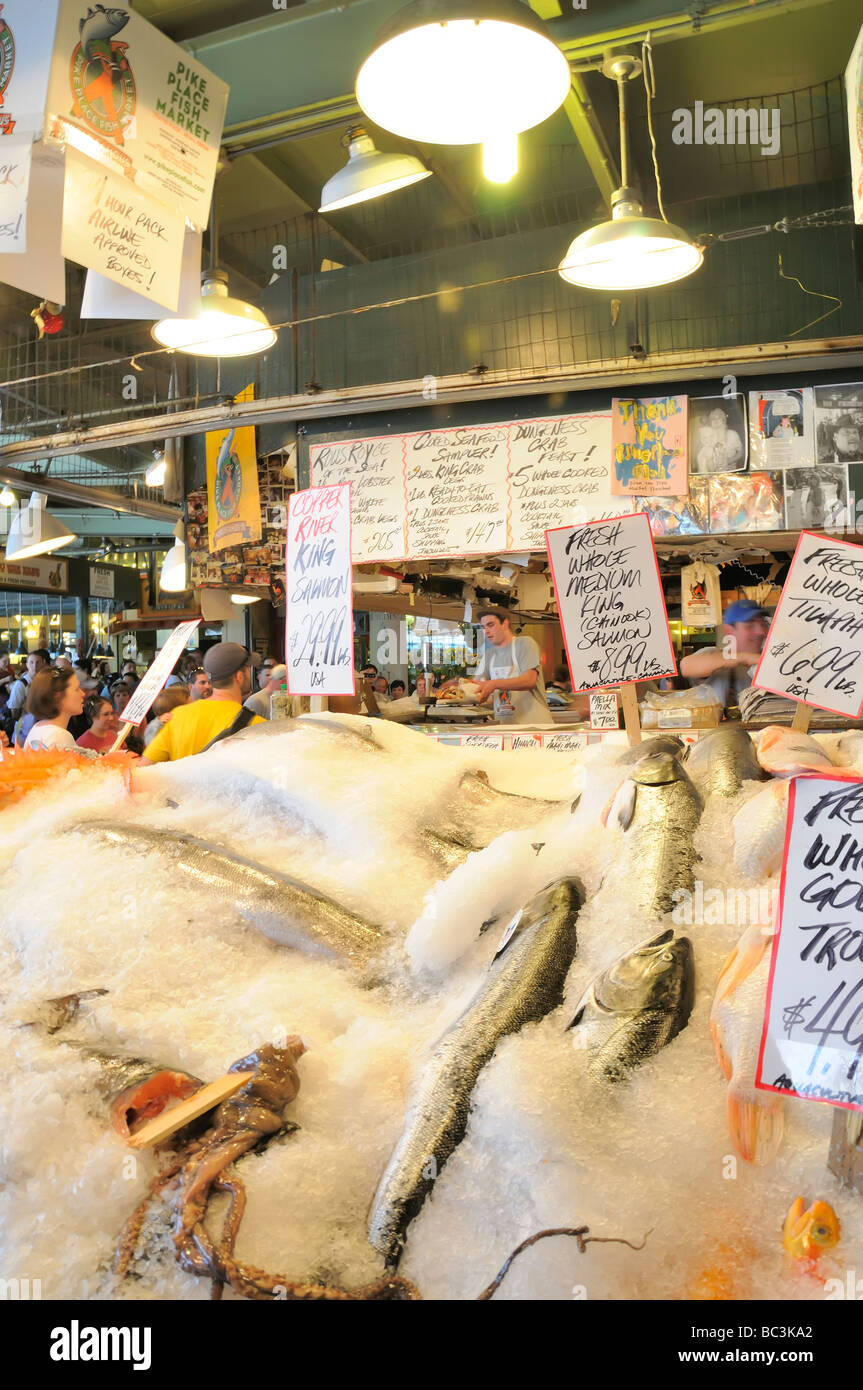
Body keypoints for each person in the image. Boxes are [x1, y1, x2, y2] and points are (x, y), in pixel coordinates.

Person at [141, 642, 264, 763]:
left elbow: (143, 769)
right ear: (239, 677)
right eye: (248, 670)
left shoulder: (177, 717)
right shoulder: (257, 726)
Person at [440, 610, 552, 725]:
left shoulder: (525, 644)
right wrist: (456, 687)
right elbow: (477, 687)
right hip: (505, 728)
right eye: (483, 627)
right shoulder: (489, 655)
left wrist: (494, 684)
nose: (486, 631)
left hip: (535, 728)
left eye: (491, 625)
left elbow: (529, 681)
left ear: (505, 624)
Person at [679, 599, 770, 713]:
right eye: (750, 625)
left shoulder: (771, 661)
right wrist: (744, 657)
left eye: (763, 624)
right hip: (716, 730)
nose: (760, 631)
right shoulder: (713, 655)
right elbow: (686, 666)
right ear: (729, 630)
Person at [23, 667, 86, 752]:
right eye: (76, 689)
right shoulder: (59, 736)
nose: (83, 694)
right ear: (57, 696)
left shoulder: (38, 727)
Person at [7, 649, 51, 721]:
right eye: (31, 662)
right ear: (27, 664)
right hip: (26, 724)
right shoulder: (21, 684)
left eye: (38, 662)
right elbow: (14, 710)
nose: (35, 665)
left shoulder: (45, 681)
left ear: (43, 663)